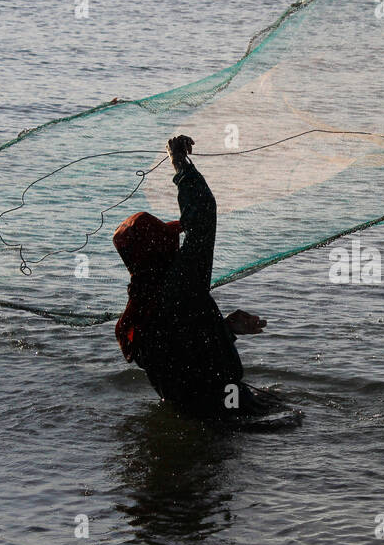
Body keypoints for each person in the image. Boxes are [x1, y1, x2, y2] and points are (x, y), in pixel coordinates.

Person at [113, 134, 271, 418]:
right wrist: (180, 164)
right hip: (229, 408)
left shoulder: (136, 311)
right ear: (157, 246)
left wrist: (222, 328)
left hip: (186, 413)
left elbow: (178, 354)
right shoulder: (181, 281)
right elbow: (203, 216)